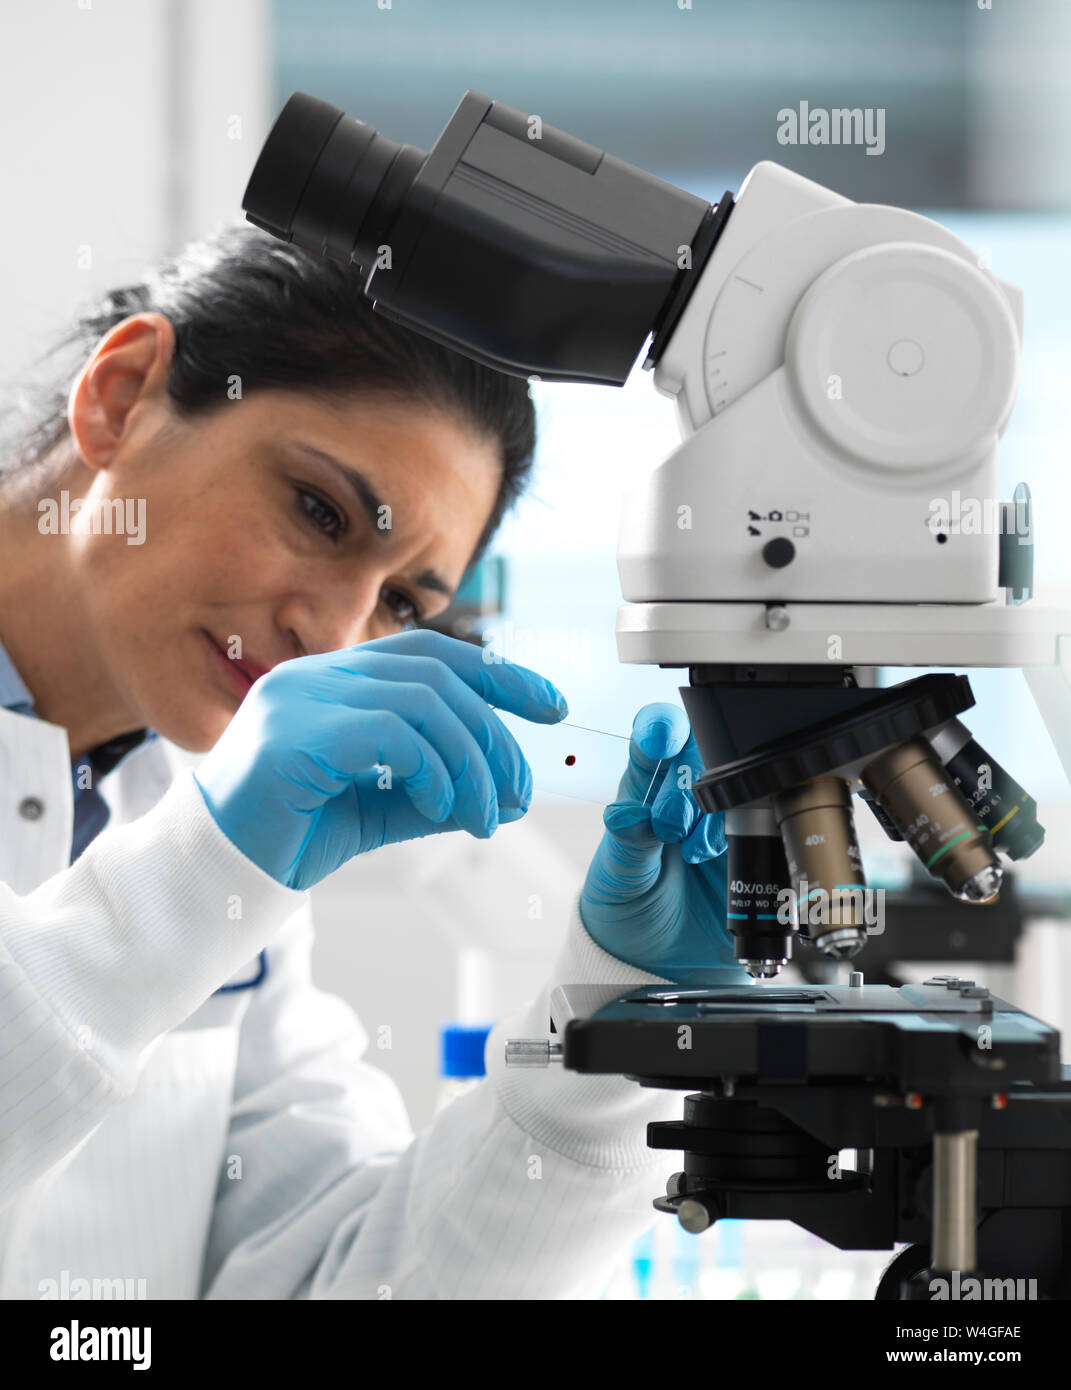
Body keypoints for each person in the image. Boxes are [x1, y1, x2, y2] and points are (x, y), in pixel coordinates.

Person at [0, 223, 742, 1300]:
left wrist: (619, 1036)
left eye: (402, 602)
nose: (335, 630)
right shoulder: (208, 849)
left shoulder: (199, 833)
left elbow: (343, 1285)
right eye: (318, 510)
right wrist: (196, 877)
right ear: (122, 394)